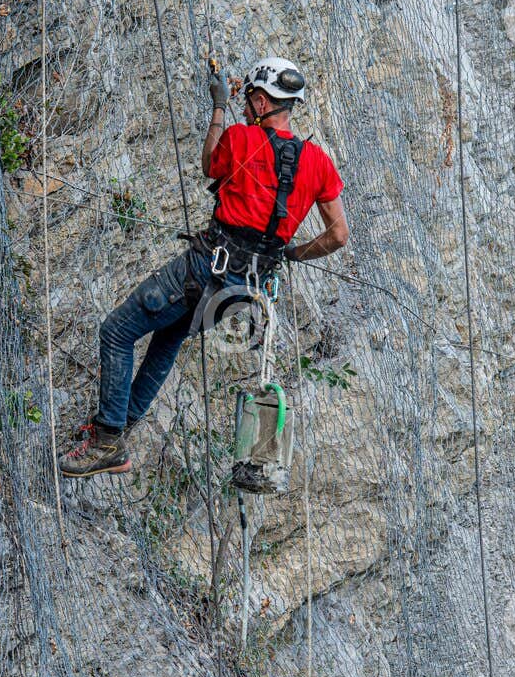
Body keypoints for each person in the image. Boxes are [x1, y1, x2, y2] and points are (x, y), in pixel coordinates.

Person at [59, 57, 348, 478]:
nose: (245, 109)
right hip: (241, 294)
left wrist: (218, 106)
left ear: (264, 104)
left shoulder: (240, 139)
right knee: (169, 337)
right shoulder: (318, 163)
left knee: (117, 331)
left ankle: (107, 440)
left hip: (203, 269)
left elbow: (210, 164)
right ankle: (122, 426)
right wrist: (291, 254)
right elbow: (338, 234)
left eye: (250, 102)